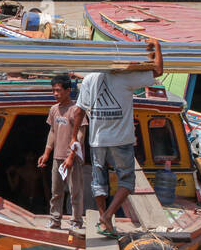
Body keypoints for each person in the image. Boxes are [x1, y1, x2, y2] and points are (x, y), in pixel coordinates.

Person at [66, 40, 164, 235]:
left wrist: (73, 137)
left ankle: (105, 222)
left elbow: (78, 111)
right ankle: (106, 216)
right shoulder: (127, 78)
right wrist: (157, 47)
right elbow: (158, 71)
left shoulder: (89, 79)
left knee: (98, 182)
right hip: (121, 140)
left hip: (98, 140)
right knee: (127, 182)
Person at [37, 74, 84, 229]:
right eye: (53, 90)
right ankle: (55, 219)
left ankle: (76, 221)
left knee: (74, 192)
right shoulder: (54, 109)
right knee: (56, 191)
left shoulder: (76, 110)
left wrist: (71, 156)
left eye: (58, 90)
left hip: (72, 158)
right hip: (57, 157)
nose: (55, 93)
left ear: (68, 90)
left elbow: (80, 135)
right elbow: (52, 132)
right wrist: (46, 153)